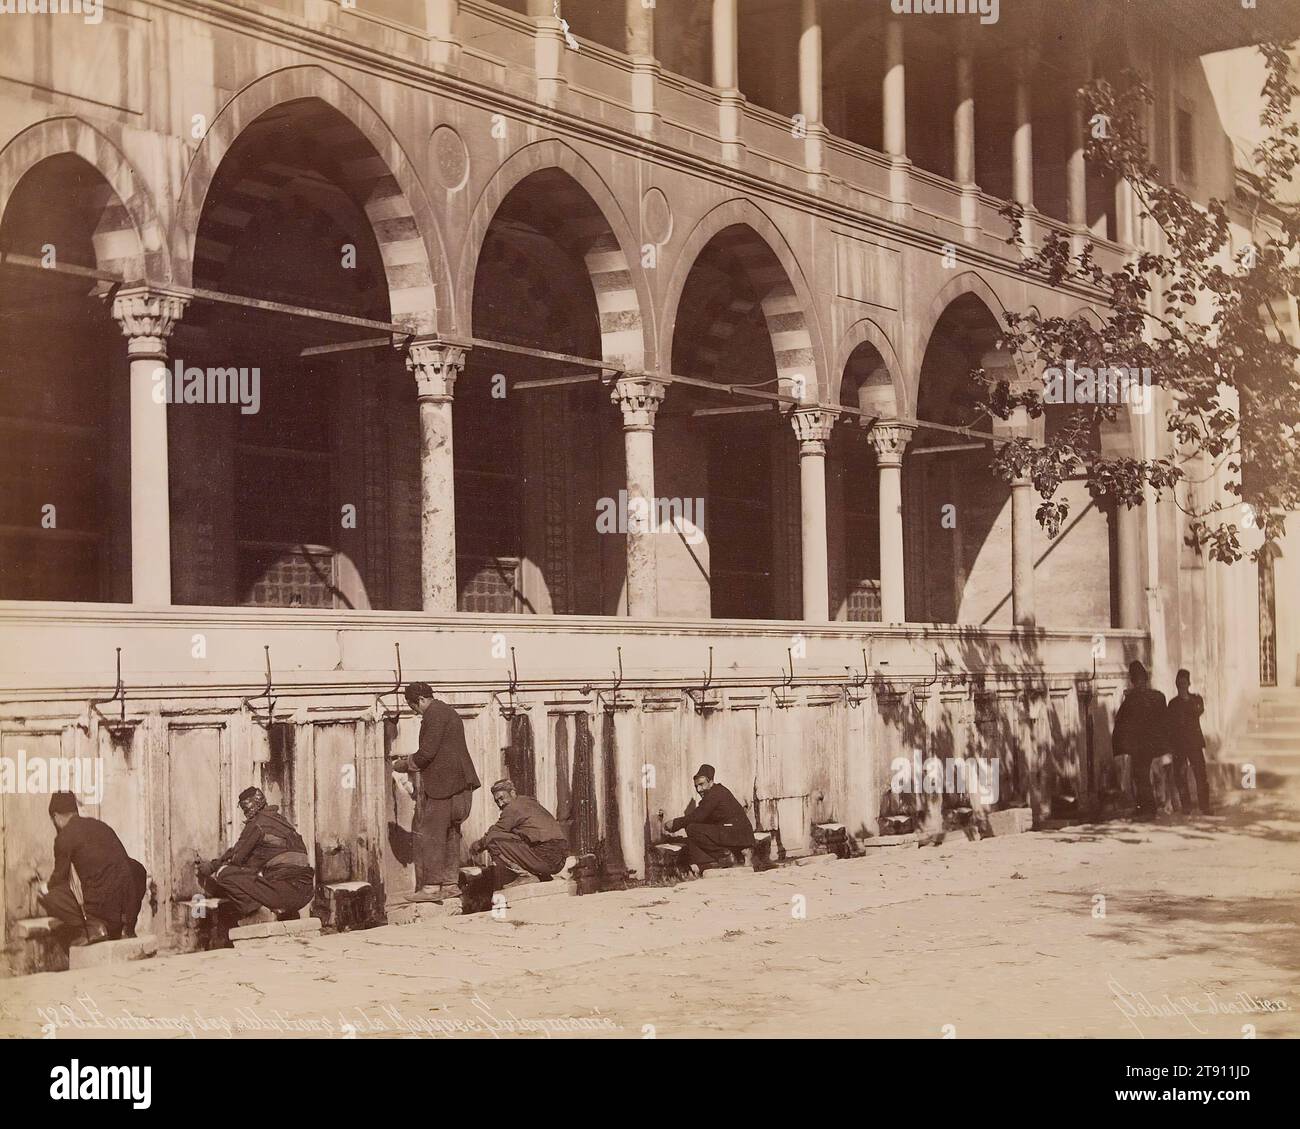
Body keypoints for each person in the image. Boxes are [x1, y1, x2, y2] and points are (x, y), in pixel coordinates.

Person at [391, 681, 481, 899]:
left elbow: (427, 753)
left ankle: (432, 887)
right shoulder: (447, 711)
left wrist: (404, 764)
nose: (415, 711)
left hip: (445, 786)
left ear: (421, 700)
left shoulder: (434, 714)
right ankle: (450, 885)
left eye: (414, 706)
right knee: (452, 833)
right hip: (461, 786)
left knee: (432, 834)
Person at [37, 792, 148, 948]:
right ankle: (127, 928)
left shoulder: (64, 837)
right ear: (75, 811)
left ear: (56, 816)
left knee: (50, 895)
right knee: (135, 868)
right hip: (125, 905)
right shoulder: (100, 826)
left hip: (101, 906)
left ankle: (94, 928)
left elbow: (60, 879)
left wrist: (45, 887)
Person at [199, 787, 314, 921]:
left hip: (287, 893)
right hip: (305, 892)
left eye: (244, 810)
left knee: (225, 874)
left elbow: (236, 857)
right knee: (266, 875)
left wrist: (212, 867)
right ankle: (287, 913)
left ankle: (257, 915)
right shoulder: (282, 821)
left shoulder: (257, 823)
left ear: (248, 808)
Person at [469, 780, 571, 888]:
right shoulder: (529, 802)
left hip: (547, 857)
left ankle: (525, 876)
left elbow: (494, 833)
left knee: (493, 840)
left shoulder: (513, 808)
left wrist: (476, 846)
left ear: (512, 793)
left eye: (502, 798)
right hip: (560, 860)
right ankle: (543, 876)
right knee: (515, 838)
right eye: (497, 801)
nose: (500, 804)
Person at [664, 764, 755, 875]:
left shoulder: (714, 794)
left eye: (701, 785)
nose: (699, 789)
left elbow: (697, 816)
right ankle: (715, 861)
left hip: (738, 834)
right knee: (696, 827)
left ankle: (725, 856)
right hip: (740, 835)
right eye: (696, 786)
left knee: (692, 829)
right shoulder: (717, 791)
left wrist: (675, 824)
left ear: (711, 782)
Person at [1111, 660, 1171, 818]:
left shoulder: (1131, 700)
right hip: (1154, 744)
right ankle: (1147, 807)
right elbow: (1165, 720)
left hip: (1140, 745)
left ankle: (1148, 809)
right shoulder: (1157, 697)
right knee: (1144, 775)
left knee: (1140, 775)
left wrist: (1121, 746)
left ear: (1132, 680)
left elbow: (1120, 722)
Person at [1168, 669, 1212, 814]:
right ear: (1176, 684)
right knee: (1180, 776)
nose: (1182, 685)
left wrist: (1187, 699)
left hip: (1194, 743)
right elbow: (1170, 725)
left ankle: (1205, 806)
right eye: (1179, 683)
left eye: (1184, 682)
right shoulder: (1173, 704)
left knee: (1200, 774)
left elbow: (1199, 710)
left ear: (1188, 683)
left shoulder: (1196, 700)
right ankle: (1186, 807)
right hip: (1179, 745)